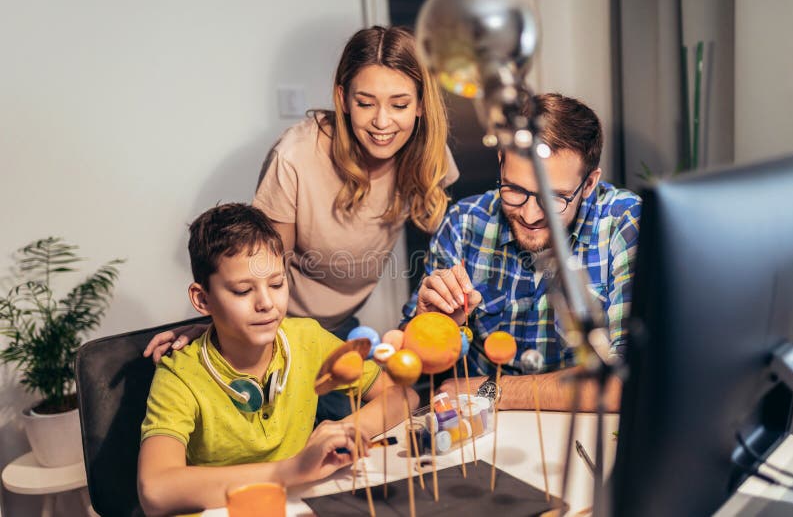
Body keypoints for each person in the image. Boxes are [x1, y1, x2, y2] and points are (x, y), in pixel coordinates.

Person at [144, 25, 457, 420]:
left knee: (377, 429)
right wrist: (218, 325)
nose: (382, 122)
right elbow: (259, 271)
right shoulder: (296, 157)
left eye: (399, 104)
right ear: (342, 98)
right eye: (366, 103)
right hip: (280, 332)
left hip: (341, 329)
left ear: (420, 105)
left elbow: (452, 241)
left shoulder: (427, 153)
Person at [138, 203, 416, 516]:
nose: (267, 303)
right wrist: (290, 469)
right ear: (203, 299)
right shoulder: (180, 374)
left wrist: (345, 429)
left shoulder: (308, 338)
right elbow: (155, 489)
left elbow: (402, 394)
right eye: (243, 291)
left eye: (276, 283)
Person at [400, 93, 642, 413]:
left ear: (588, 184)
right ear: (501, 161)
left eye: (555, 198)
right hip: (482, 439)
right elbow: (408, 366)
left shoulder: (623, 224)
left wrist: (492, 390)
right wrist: (429, 323)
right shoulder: (464, 222)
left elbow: (628, 383)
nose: (529, 215)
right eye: (514, 189)